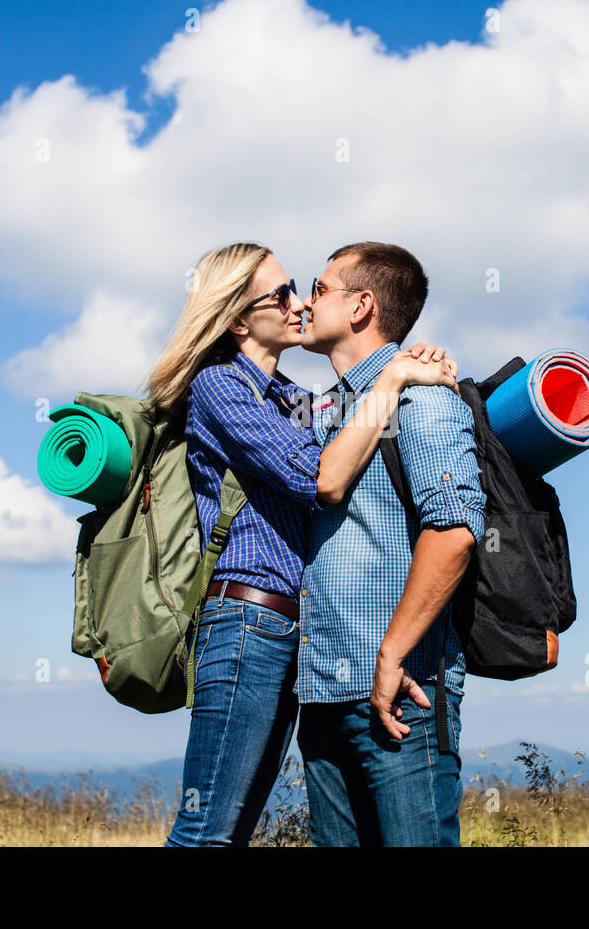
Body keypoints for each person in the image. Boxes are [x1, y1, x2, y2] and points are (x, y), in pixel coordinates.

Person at [144, 241, 458, 846]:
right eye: (282, 294)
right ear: (237, 318)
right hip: (246, 624)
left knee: (231, 832)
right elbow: (325, 479)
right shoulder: (220, 388)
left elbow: (349, 435)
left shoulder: (294, 397)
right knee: (207, 831)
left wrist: (406, 358)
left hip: (294, 638)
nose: (298, 304)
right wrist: (392, 375)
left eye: (303, 289)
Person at [295, 241, 486, 846]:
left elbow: (453, 531)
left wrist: (391, 655)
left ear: (362, 306)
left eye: (320, 289)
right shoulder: (324, 412)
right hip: (323, 693)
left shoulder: (423, 398)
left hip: (401, 693)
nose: (303, 302)